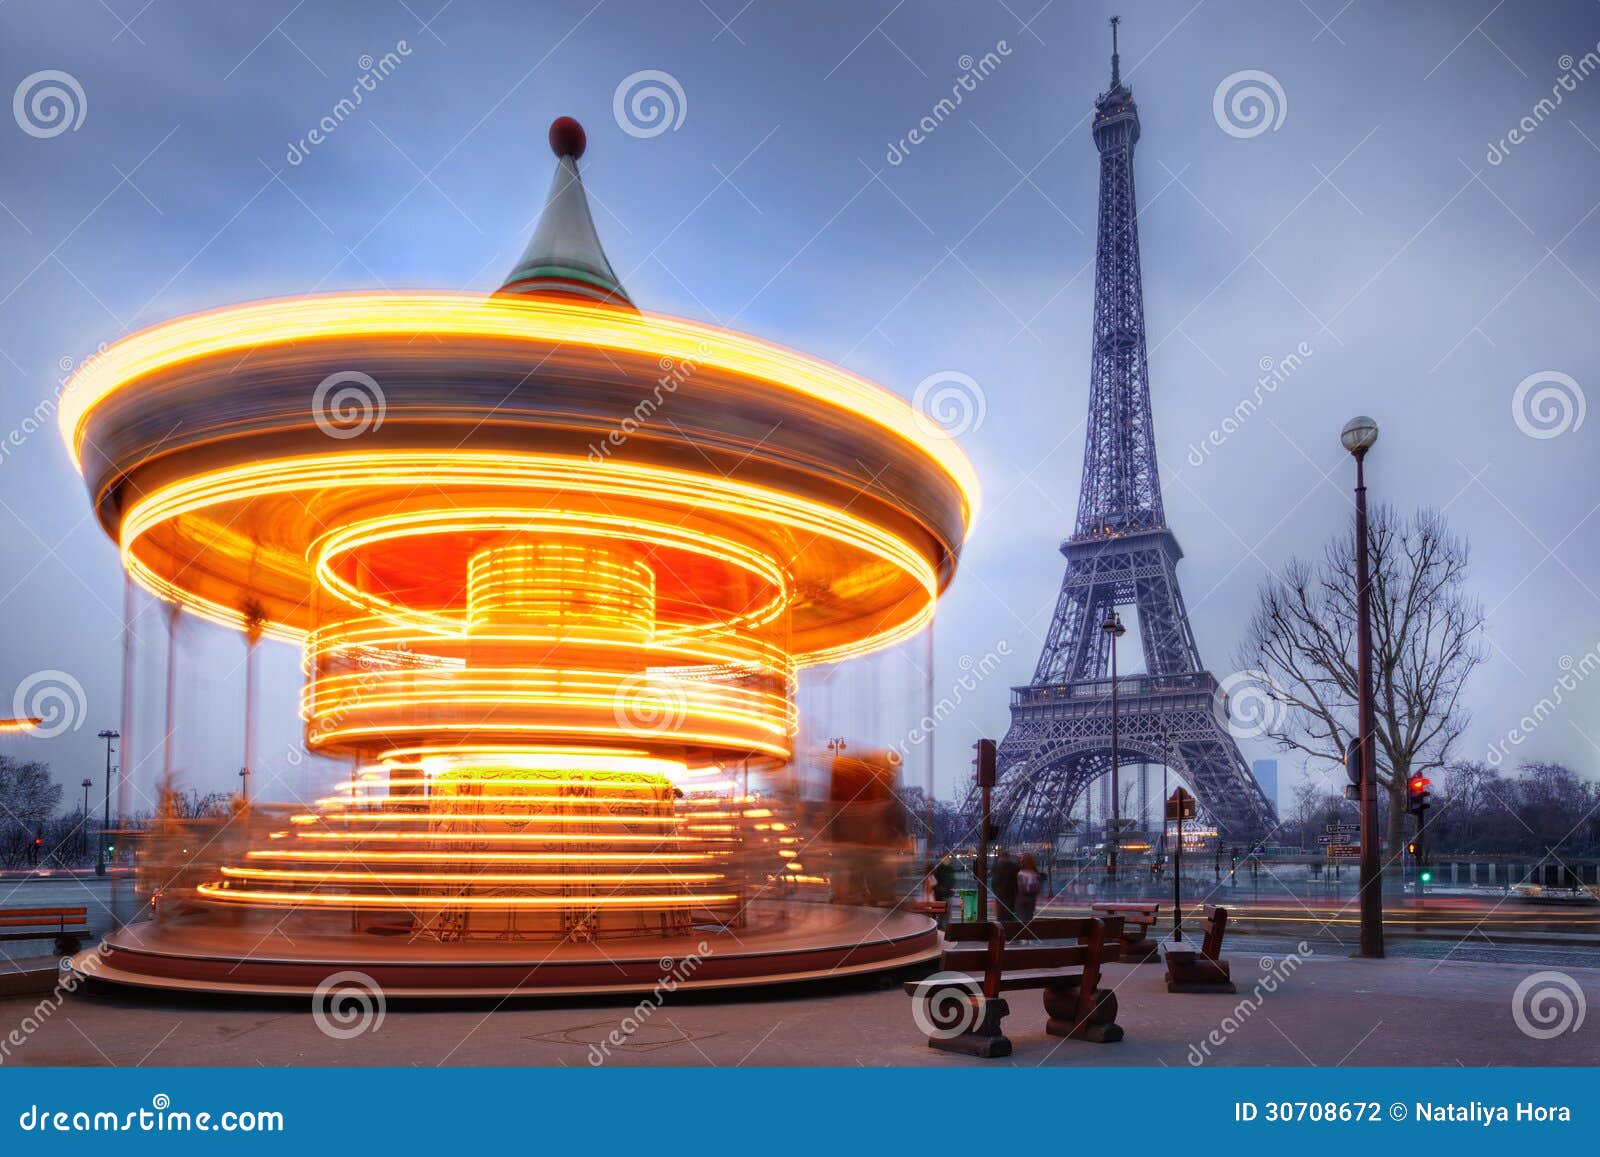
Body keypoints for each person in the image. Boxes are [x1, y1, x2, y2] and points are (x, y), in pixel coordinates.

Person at [991, 848, 1019, 921]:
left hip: (999, 895)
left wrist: (996, 891)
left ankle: (1001, 930)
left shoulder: (996, 866)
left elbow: (994, 882)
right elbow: (1016, 882)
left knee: (1000, 916)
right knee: (1009, 915)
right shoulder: (1013, 866)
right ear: (1008, 856)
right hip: (1010, 894)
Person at [1015, 853, 1042, 924]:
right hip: (1031, 898)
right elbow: (1038, 886)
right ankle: (1027, 933)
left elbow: (1018, 885)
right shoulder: (1034, 872)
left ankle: (1022, 933)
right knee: (1029, 918)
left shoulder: (1020, 871)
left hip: (1021, 897)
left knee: (1021, 918)